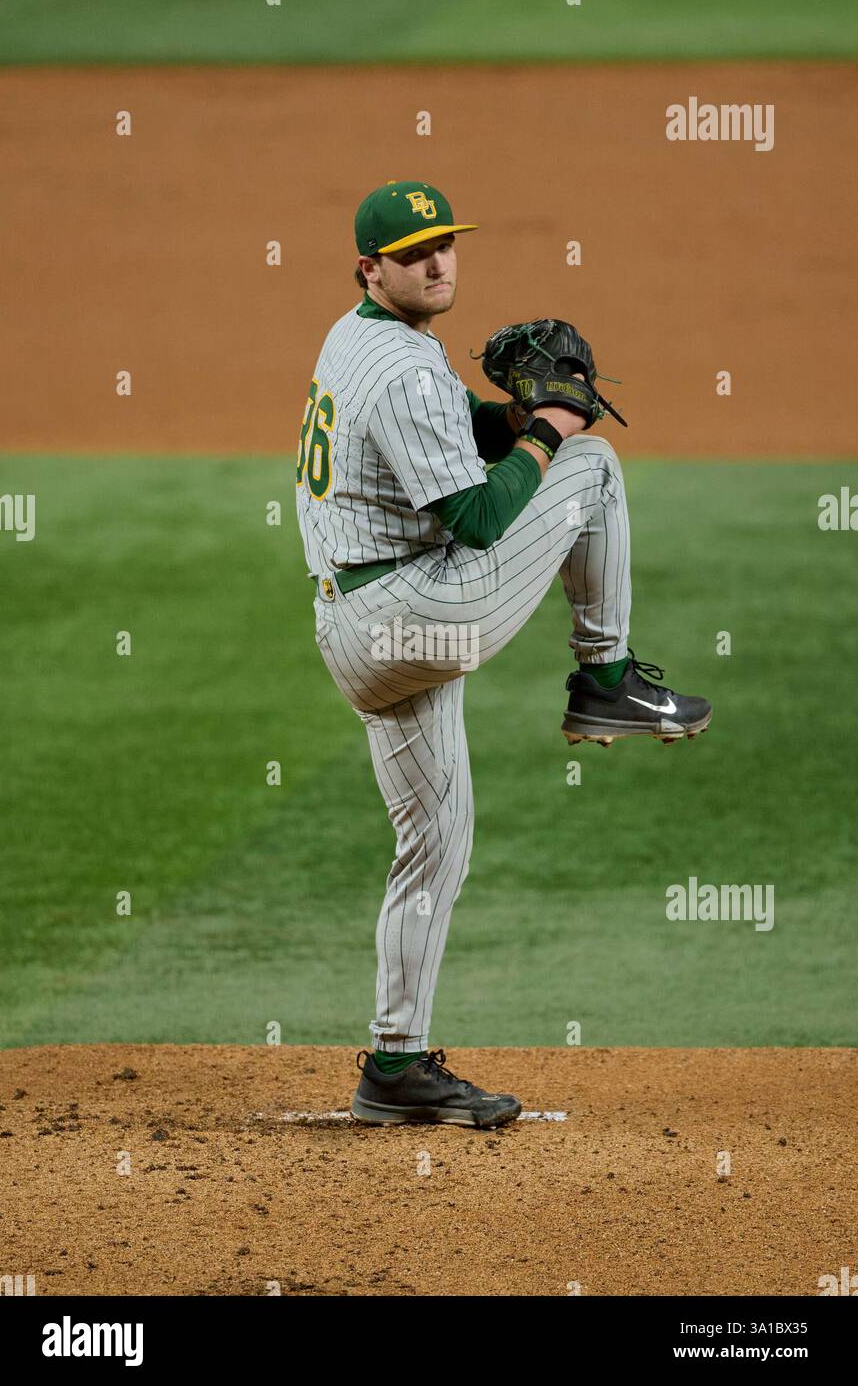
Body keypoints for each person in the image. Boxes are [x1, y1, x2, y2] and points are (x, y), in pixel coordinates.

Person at [295, 180, 711, 1129]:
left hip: (360, 629)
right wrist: (554, 426)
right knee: (592, 468)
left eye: (445, 243)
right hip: (416, 611)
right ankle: (604, 679)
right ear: (372, 267)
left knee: (434, 842)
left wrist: (514, 420)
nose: (438, 263)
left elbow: (451, 438)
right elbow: (479, 519)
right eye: (414, 253)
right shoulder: (402, 366)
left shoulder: (357, 338)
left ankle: (394, 1069)